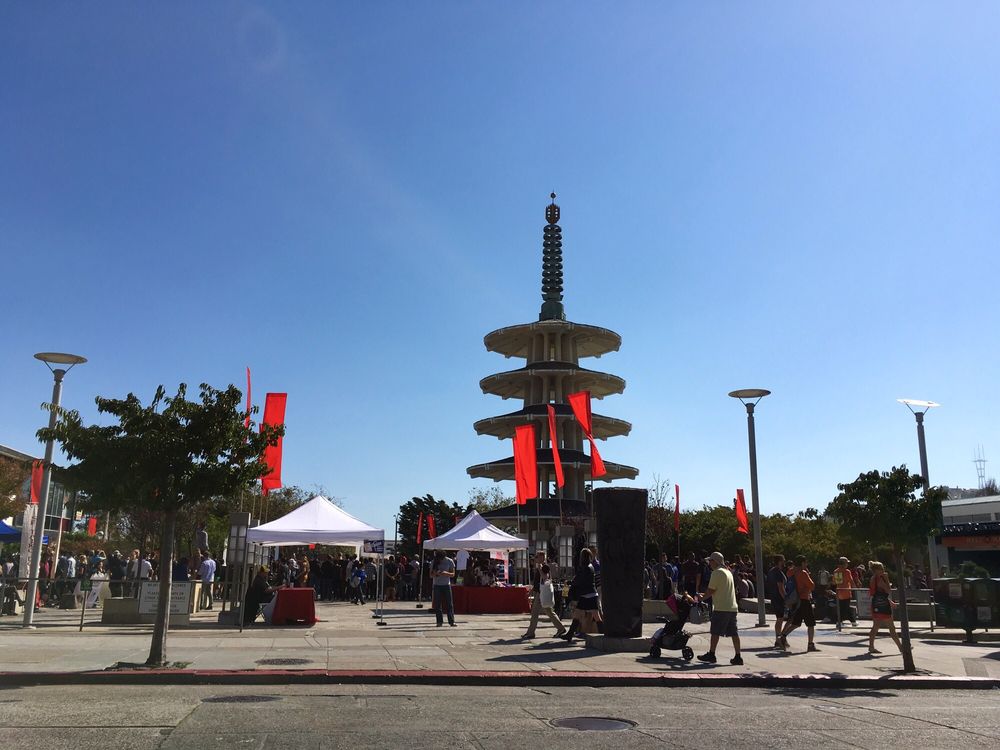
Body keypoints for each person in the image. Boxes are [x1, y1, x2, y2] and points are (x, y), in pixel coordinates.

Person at [697, 551, 742, 665]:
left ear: (715, 561)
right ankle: (738, 656)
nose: (709, 563)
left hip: (721, 607)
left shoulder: (716, 573)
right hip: (732, 607)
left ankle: (711, 654)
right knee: (734, 633)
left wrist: (701, 598)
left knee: (715, 632)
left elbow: (711, 590)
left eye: (710, 561)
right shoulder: (728, 572)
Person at [522, 551, 566, 639]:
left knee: (535, 612)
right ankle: (560, 628)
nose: (535, 558)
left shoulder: (545, 567)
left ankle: (531, 633)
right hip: (539, 592)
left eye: (537, 557)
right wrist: (531, 591)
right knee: (549, 611)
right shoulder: (540, 566)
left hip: (542, 593)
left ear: (542, 557)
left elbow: (545, 578)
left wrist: (539, 569)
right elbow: (537, 581)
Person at [779, 555, 819, 652]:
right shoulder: (803, 573)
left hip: (795, 601)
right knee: (810, 624)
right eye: (805, 562)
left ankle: (783, 636)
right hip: (804, 600)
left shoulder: (790, 572)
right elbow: (812, 586)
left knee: (796, 623)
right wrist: (808, 575)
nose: (806, 564)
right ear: (802, 563)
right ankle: (810, 644)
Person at [560, 548, 600, 642]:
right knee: (578, 614)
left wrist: (571, 582)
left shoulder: (586, 567)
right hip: (589, 594)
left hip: (589, 594)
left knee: (595, 616)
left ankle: (603, 633)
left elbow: (579, 580)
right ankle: (570, 634)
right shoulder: (589, 566)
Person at [867, 561, 902, 655]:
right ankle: (901, 647)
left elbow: (878, 593)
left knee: (876, 626)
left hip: (876, 604)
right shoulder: (880, 579)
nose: (883, 570)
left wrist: (890, 602)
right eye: (881, 569)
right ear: (877, 570)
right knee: (891, 627)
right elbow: (887, 590)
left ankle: (871, 646)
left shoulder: (873, 578)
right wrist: (887, 579)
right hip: (882, 605)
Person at [766, 555, 787, 649]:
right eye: (783, 560)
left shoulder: (771, 571)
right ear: (779, 561)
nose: (784, 562)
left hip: (774, 597)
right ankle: (778, 639)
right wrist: (786, 598)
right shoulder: (777, 572)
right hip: (778, 598)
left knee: (780, 619)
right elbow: (780, 587)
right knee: (780, 619)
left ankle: (779, 638)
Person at [832, 556, 857, 629]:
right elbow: (851, 581)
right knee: (845, 608)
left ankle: (841, 621)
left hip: (839, 592)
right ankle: (849, 621)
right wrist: (855, 588)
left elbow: (834, 582)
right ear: (843, 564)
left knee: (843, 608)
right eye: (846, 563)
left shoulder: (836, 571)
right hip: (846, 592)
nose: (847, 565)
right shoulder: (847, 571)